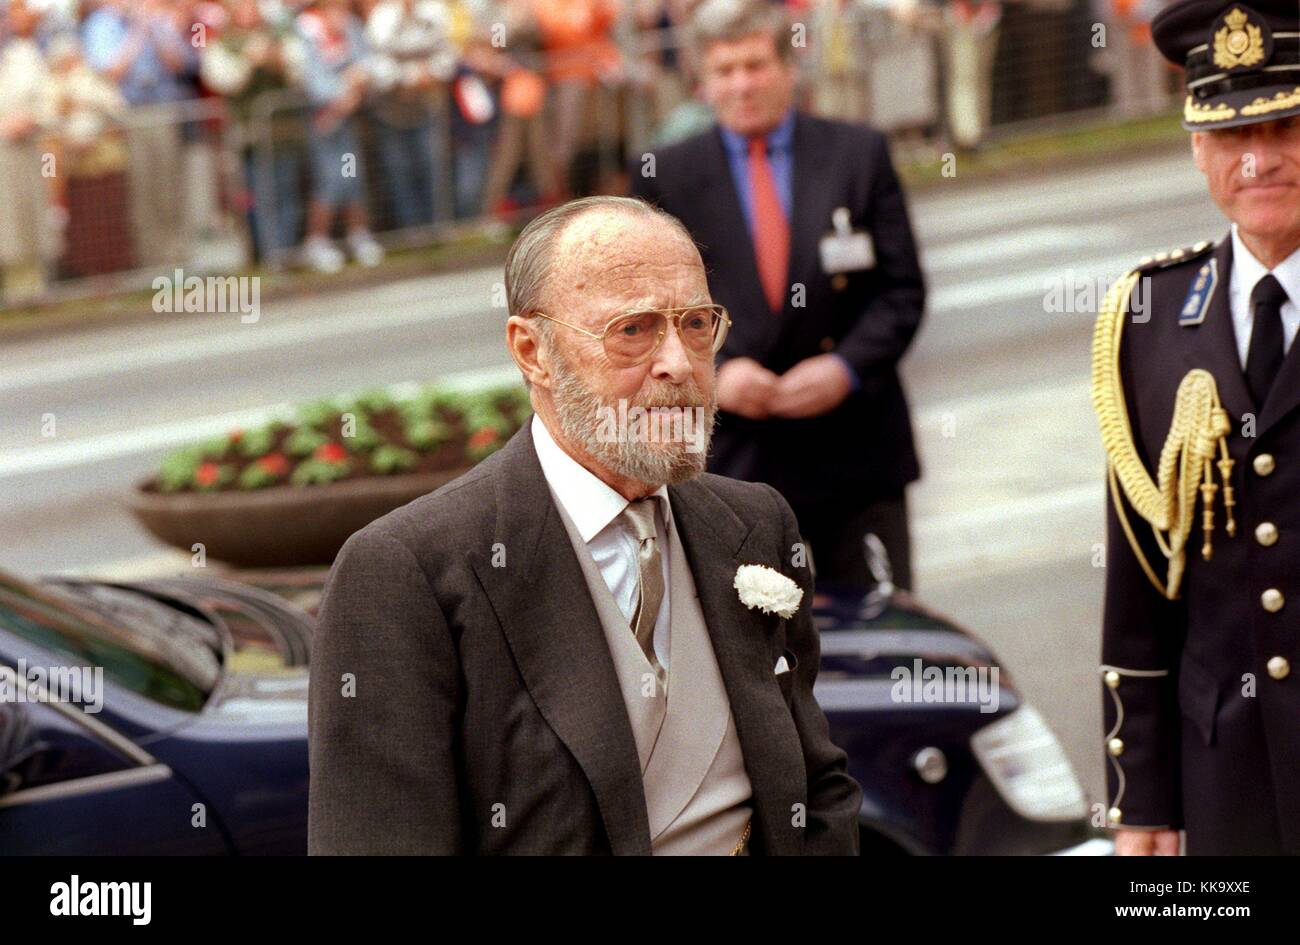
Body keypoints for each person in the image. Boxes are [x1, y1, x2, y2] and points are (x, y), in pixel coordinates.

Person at [308, 195, 862, 854]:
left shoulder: (754, 521)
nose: (679, 365)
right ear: (532, 350)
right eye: (633, 330)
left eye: (694, 323)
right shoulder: (407, 573)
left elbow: (817, 785)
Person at [1091, 0, 1300, 856]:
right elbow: (1140, 579)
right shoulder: (1150, 316)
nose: (1257, 159)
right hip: (1225, 775)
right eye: (1228, 137)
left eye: (1285, 127)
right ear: (1196, 148)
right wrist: (1140, 792)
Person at [630, 0, 926, 590]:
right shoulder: (668, 175)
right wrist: (718, 368)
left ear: (791, 66)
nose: (741, 84)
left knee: (880, 643)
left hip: (856, 448)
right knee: (756, 657)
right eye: (725, 70)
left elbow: (901, 290)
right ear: (704, 82)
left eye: (756, 66)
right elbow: (647, 311)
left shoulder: (856, 154)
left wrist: (845, 368)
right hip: (735, 462)